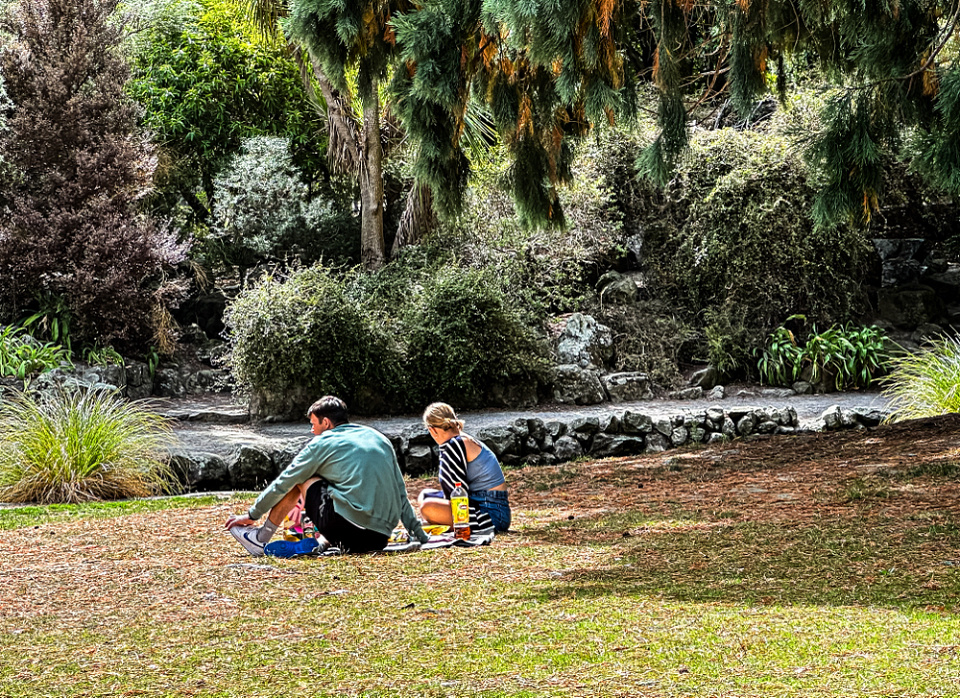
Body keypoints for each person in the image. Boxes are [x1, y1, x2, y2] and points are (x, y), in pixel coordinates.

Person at [225, 396, 429, 556]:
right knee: (340, 484)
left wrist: (252, 514)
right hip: (379, 538)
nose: (312, 430)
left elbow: (285, 481)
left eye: (314, 424)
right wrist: (418, 534)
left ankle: (260, 538)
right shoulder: (379, 439)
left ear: (327, 422)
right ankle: (324, 541)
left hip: (348, 532)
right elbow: (400, 491)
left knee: (302, 477)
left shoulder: (322, 443)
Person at [418, 402, 511, 533]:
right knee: (424, 495)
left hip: (491, 514)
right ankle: (439, 522)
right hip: (491, 506)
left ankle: (446, 524)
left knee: (427, 507)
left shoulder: (454, 445)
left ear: (432, 430)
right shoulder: (462, 439)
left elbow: (457, 491)